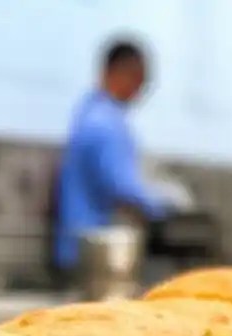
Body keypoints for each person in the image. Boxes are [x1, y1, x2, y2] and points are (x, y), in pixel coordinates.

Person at [54, 39, 166, 282]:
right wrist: (165, 207)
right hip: (97, 257)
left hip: (76, 250)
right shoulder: (107, 123)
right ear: (119, 73)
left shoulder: (87, 111)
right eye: (139, 80)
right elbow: (123, 187)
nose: (140, 90)